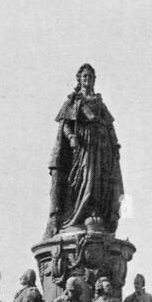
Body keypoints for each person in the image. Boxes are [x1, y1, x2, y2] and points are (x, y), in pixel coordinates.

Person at [46, 64, 125, 237]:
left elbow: (109, 126)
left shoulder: (98, 102)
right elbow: (65, 124)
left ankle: (93, 213)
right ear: (79, 79)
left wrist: (115, 145)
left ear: (94, 80)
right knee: (82, 178)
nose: (87, 80)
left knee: (98, 181)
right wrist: (71, 137)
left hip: (100, 146)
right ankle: (75, 216)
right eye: (84, 77)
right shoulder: (74, 101)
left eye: (90, 77)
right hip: (82, 146)